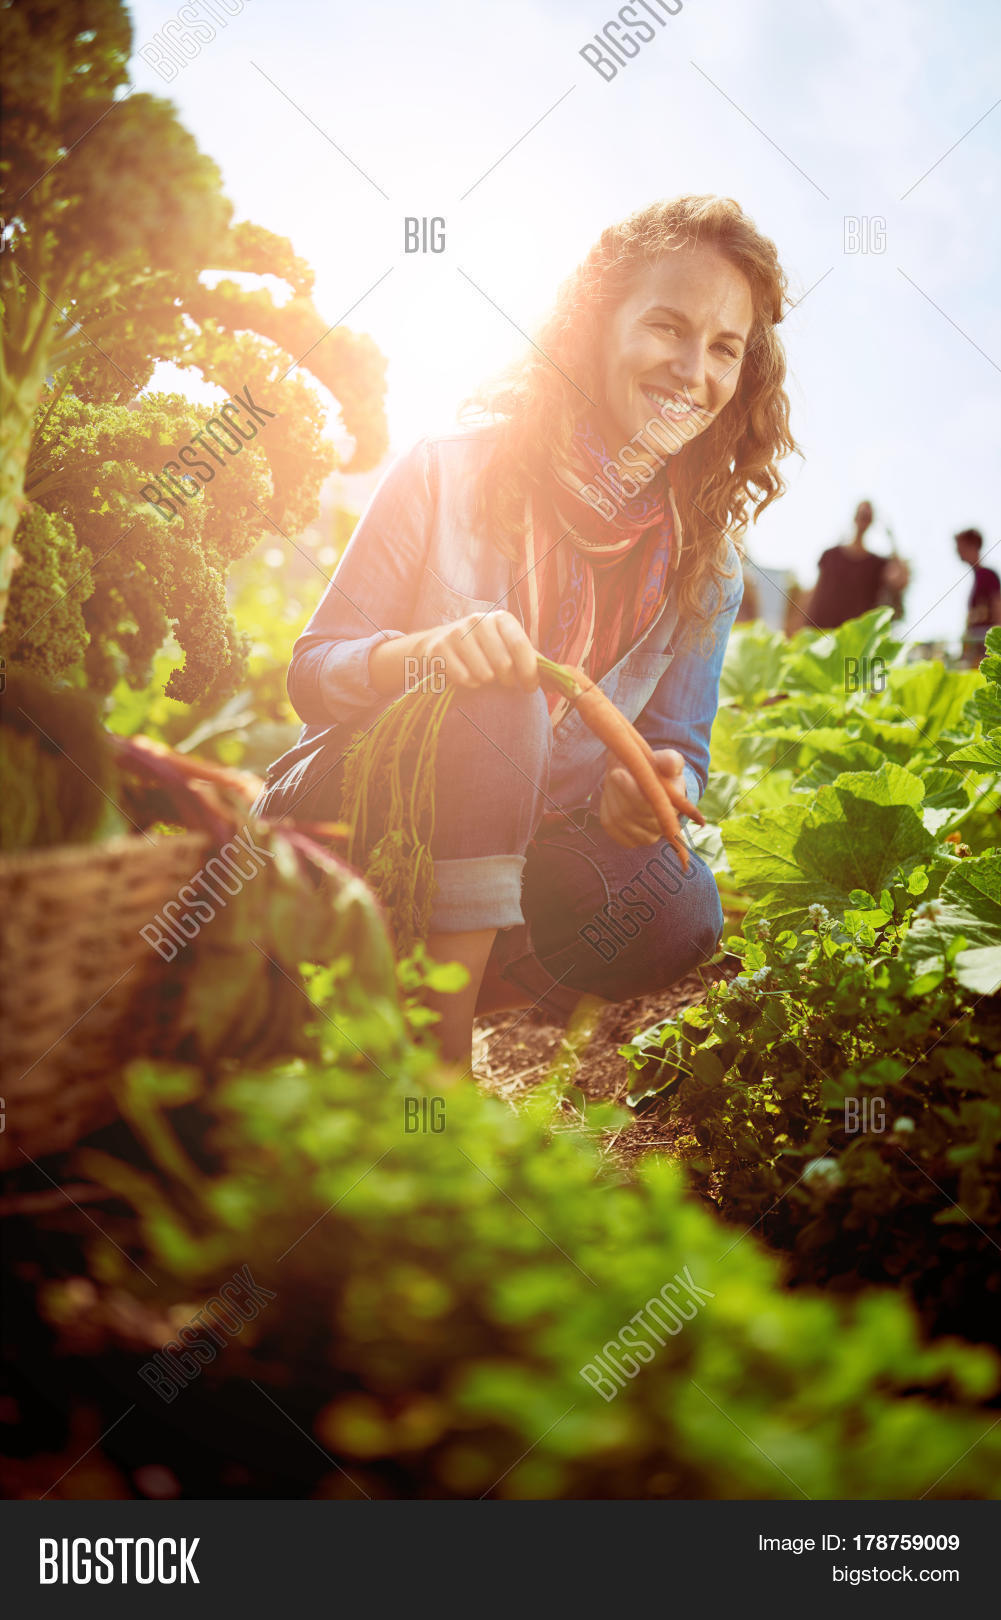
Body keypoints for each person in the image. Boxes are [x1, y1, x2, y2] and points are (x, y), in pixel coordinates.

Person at [252, 195, 797, 1070]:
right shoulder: (448, 467)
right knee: (498, 700)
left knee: (676, 906)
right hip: (348, 813)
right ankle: (435, 1063)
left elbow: (674, 748)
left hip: (514, 853)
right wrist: (423, 658)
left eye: (725, 348)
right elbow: (311, 675)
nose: (694, 370)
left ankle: (408, 984)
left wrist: (650, 780)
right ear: (593, 324)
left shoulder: (709, 567)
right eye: (666, 327)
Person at [808, 501, 909, 629]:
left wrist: (892, 539)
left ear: (871, 522)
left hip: (854, 634)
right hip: (820, 628)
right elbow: (814, 591)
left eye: (867, 517)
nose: (863, 520)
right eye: (861, 515)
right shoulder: (831, 555)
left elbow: (900, 581)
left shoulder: (877, 564)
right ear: (855, 517)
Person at [955, 528, 1000, 666]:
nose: (958, 551)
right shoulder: (977, 577)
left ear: (972, 546)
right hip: (976, 648)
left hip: (985, 648)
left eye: (960, 547)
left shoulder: (988, 575)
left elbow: (997, 609)